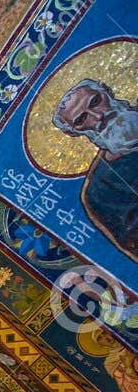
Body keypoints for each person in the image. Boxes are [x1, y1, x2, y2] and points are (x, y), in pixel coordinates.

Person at [51, 79, 138, 265]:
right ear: (74, 132)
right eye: (82, 119)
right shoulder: (102, 191)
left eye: (95, 102)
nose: (98, 117)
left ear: (107, 91)